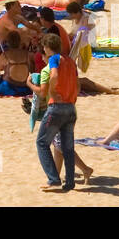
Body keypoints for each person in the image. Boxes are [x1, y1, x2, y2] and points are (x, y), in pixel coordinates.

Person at [27, 32, 78, 192]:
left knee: (41, 142)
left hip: (56, 107)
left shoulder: (54, 59)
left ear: (48, 48)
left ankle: (53, 179)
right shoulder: (70, 61)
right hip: (71, 107)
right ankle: (69, 182)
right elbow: (77, 85)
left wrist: (52, 88)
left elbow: (53, 76)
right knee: (67, 147)